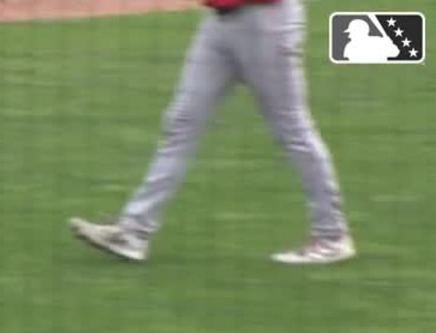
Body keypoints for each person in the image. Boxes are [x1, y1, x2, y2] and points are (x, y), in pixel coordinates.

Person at [69, 0, 355, 265]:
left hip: (265, 20)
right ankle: (134, 231)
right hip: (219, 23)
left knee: (292, 129)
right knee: (182, 122)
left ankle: (331, 235)